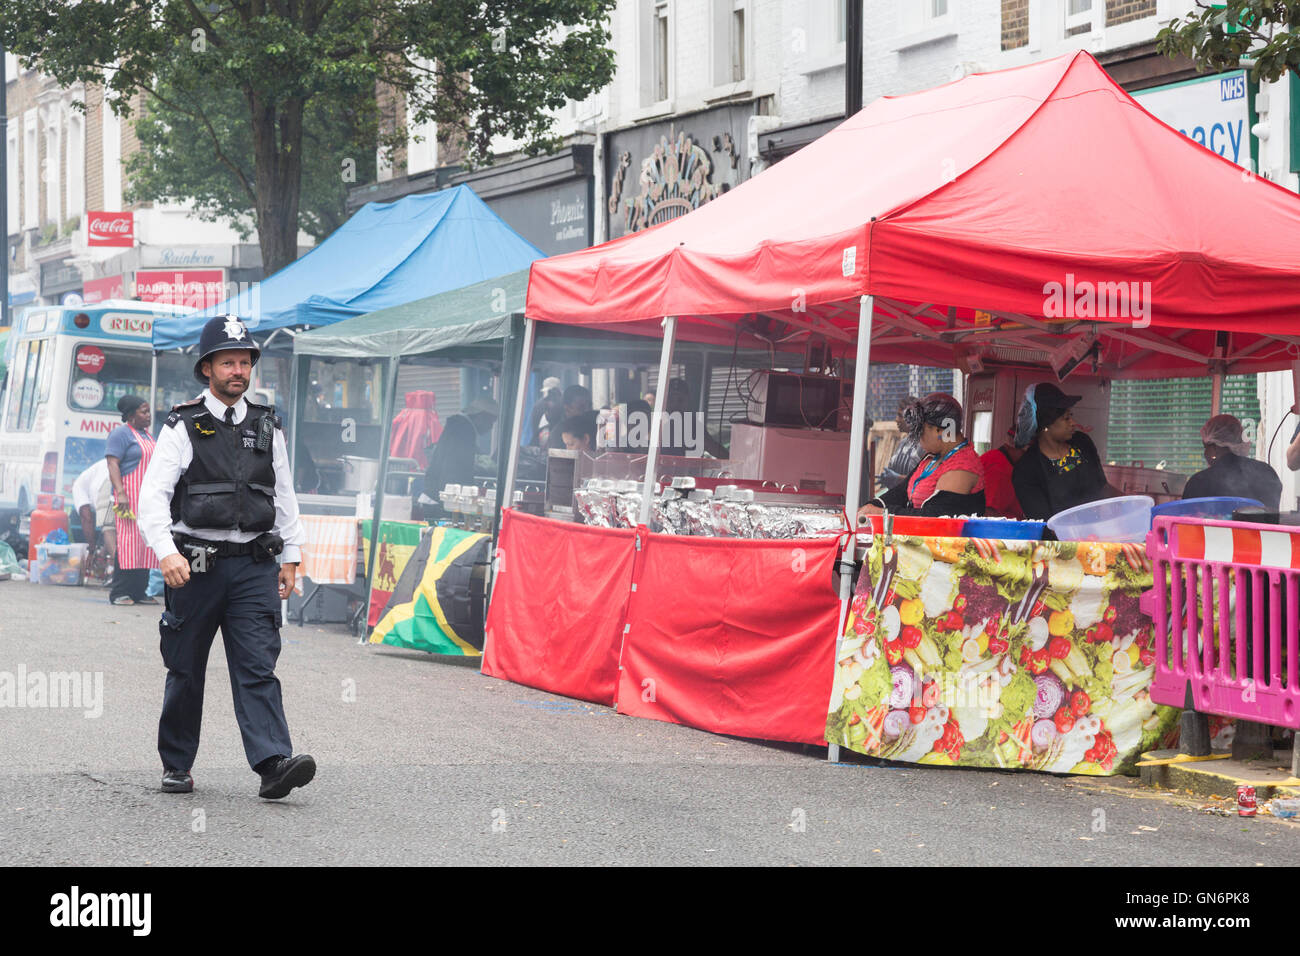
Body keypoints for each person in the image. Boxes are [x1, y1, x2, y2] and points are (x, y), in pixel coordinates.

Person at [138, 314, 314, 801]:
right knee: (186, 667)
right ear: (207, 369)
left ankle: (273, 764)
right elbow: (152, 497)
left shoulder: (266, 423)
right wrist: (167, 552)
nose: (238, 370)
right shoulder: (182, 424)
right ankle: (177, 764)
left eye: (245, 362)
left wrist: (292, 554)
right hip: (194, 566)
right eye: (228, 362)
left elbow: (285, 494)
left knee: (258, 665)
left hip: (255, 565)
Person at [857, 393, 985, 520]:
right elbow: (900, 493)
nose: (918, 438)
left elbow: (933, 518)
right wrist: (868, 508)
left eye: (921, 431)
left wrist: (881, 513)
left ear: (941, 430)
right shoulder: (931, 458)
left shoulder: (962, 468)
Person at [1011, 382, 1118, 521]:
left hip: (1099, 531)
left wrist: (1129, 500)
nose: (1073, 422)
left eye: (1071, 415)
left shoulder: (1082, 443)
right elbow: (1045, 523)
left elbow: (1102, 487)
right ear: (1046, 425)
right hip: (1061, 541)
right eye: (1066, 418)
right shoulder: (1026, 470)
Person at [106, 395, 160, 605]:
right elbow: (112, 464)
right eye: (144, 412)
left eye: (148, 411)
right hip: (128, 496)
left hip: (146, 499)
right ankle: (119, 592)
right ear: (130, 415)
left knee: (145, 542)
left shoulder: (147, 436)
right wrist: (120, 493)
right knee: (128, 542)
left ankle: (139, 591)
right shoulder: (120, 435)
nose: (148, 416)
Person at [1183, 414, 1281, 511]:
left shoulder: (1198, 482)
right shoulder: (1267, 472)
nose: (1205, 453)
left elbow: (1186, 521)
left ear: (1214, 448)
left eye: (1205, 447)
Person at [421, 414, 479, 520]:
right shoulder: (465, 431)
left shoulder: (449, 437)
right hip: (442, 504)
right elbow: (452, 474)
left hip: (433, 498)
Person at [979, 428, 1026, 519]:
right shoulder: (999, 468)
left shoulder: (995, 457)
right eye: (1027, 451)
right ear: (1013, 446)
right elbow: (988, 515)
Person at [880, 395, 924, 490]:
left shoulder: (925, 445)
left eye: (900, 416)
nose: (896, 419)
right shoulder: (903, 443)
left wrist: (898, 479)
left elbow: (925, 480)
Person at [547, 385, 593, 449]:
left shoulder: (596, 427)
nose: (587, 410)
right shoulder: (558, 434)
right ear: (567, 409)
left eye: (590, 406)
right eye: (581, 407)